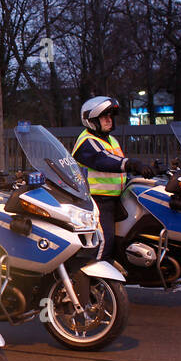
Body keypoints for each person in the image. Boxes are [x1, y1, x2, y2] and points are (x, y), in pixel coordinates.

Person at [70, 96, 155, 263]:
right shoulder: (87, 142)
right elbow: (104, 160)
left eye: (111, 116)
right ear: (92, 120)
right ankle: (95, 281)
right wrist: (133, 164)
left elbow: (118, 168)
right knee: (104, 242)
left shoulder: (110, 140)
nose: (109, 120)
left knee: (125, 237)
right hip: (98, 201)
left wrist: (150, 170)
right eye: (104, 117)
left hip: (116, 198)